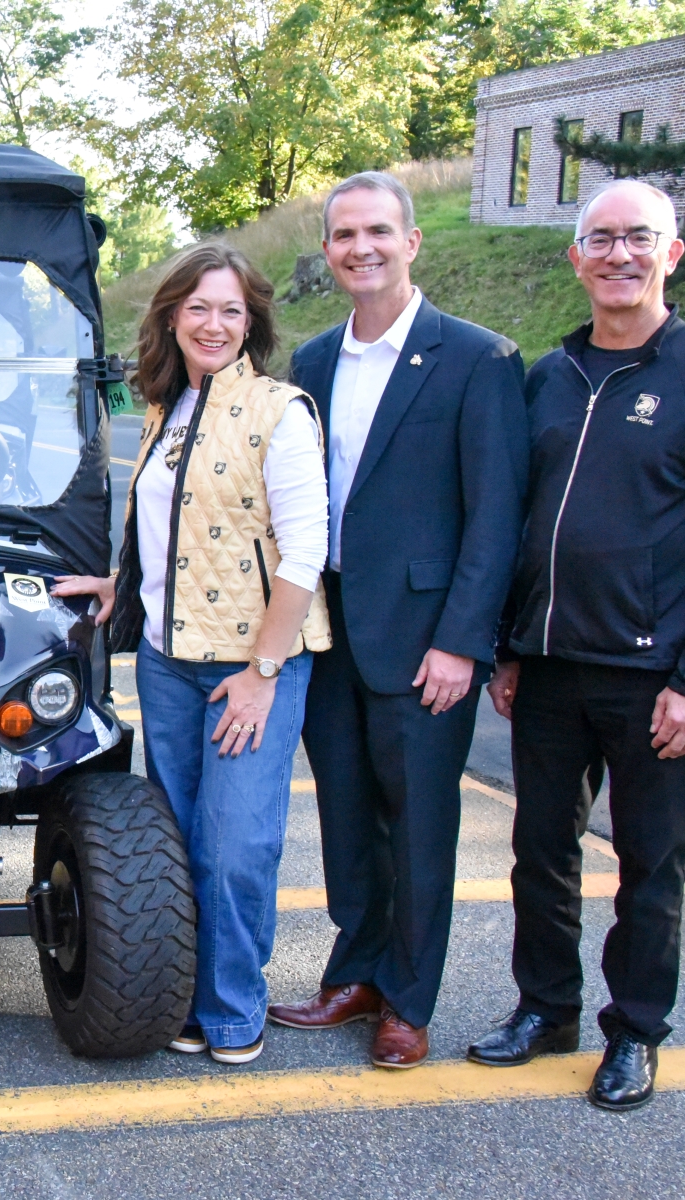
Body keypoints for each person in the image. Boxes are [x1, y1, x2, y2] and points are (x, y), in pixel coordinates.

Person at [468, 180, 685, 1110]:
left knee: (649, 865)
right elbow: (516, 520)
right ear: (576, 259)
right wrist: (508, 647)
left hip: (654, 678)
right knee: (540, 853)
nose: (618, 256)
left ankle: (635, 1030)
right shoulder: (548, 378)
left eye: (638, 239)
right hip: (550, 668)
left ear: (670, 253)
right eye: (599, 240)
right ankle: (546, 1007)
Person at [266, 172, 528, 1069]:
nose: (361, 248)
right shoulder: (310, 363)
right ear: (329, 250)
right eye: (344, 235)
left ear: (412, 242)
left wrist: (464, 640)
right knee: (344, 815)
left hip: (425, 639)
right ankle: (358, 973)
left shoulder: (477, 359)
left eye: (379, 230)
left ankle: (409, 1000)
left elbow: (496, 516)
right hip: (327, 631)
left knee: (417, 824)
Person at [53, 242, 330, 1064]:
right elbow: (162, 526)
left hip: (254, 663)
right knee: (172, 841)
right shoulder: (167, 410)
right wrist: (119, 587)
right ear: (172, 316)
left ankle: (233, 1007)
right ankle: (181, 998)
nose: (214, 324)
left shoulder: (281, 410)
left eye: (231, 311)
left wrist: (264, 672)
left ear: (253, 323)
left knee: (237, 841)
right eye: (199, 308)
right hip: (170, 664)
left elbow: (305, 554)